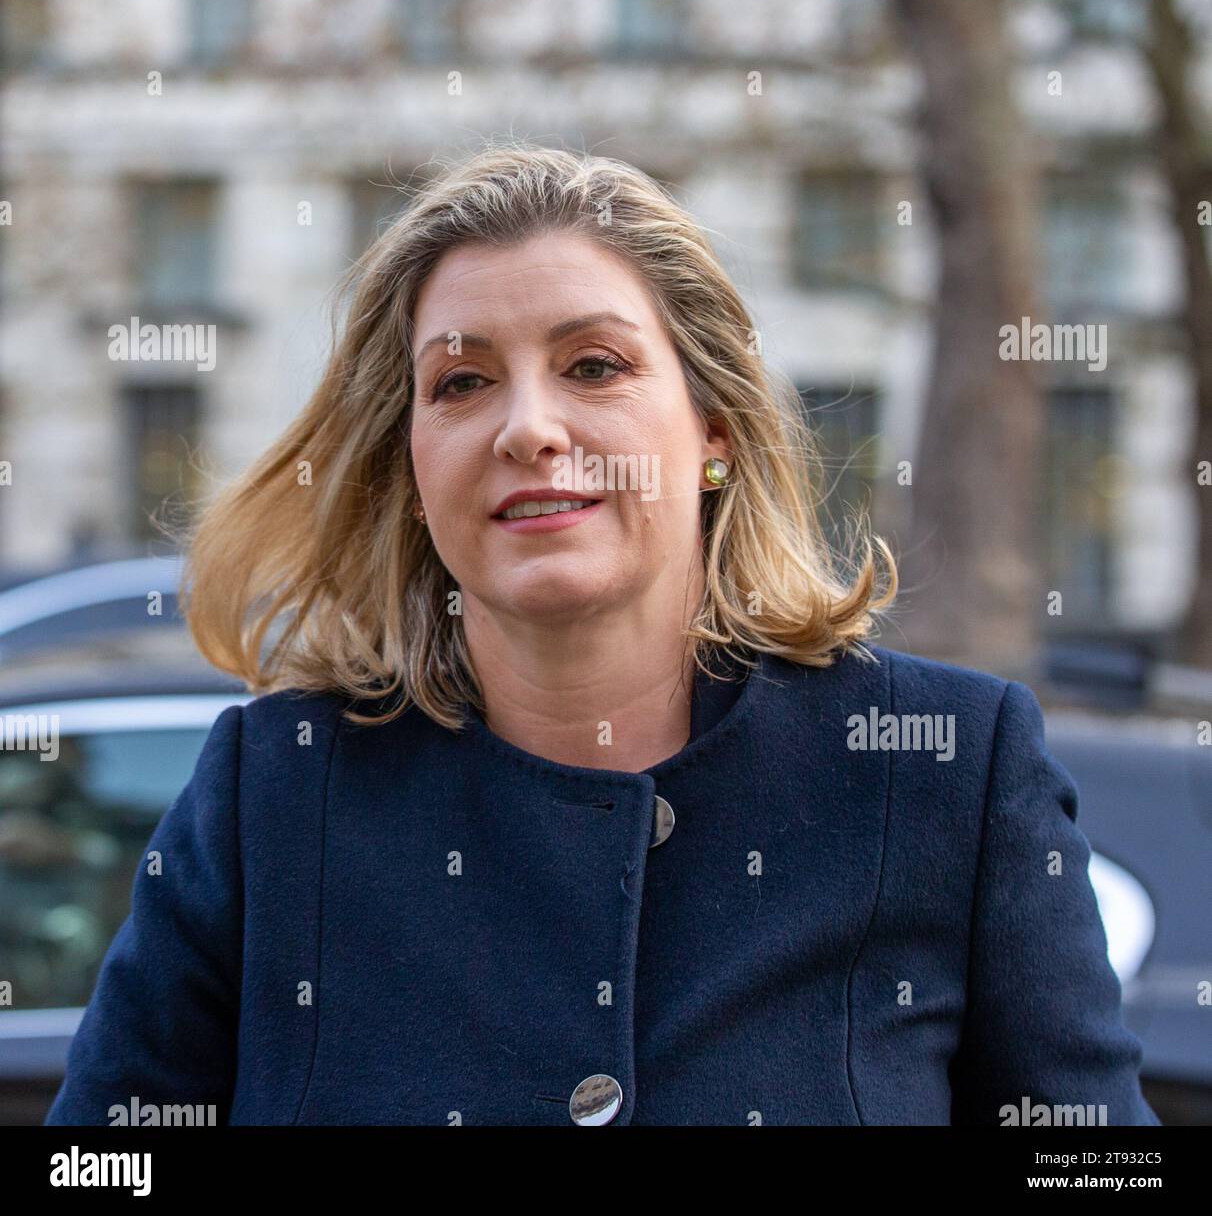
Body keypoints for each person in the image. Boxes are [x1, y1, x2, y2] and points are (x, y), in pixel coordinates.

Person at [45, 142, 1159, 1126]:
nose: (528, 427)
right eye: (463, 381)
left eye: (594, 366)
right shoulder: (272, 793)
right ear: (414, 463)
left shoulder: (945, 770)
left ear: (713, 434)